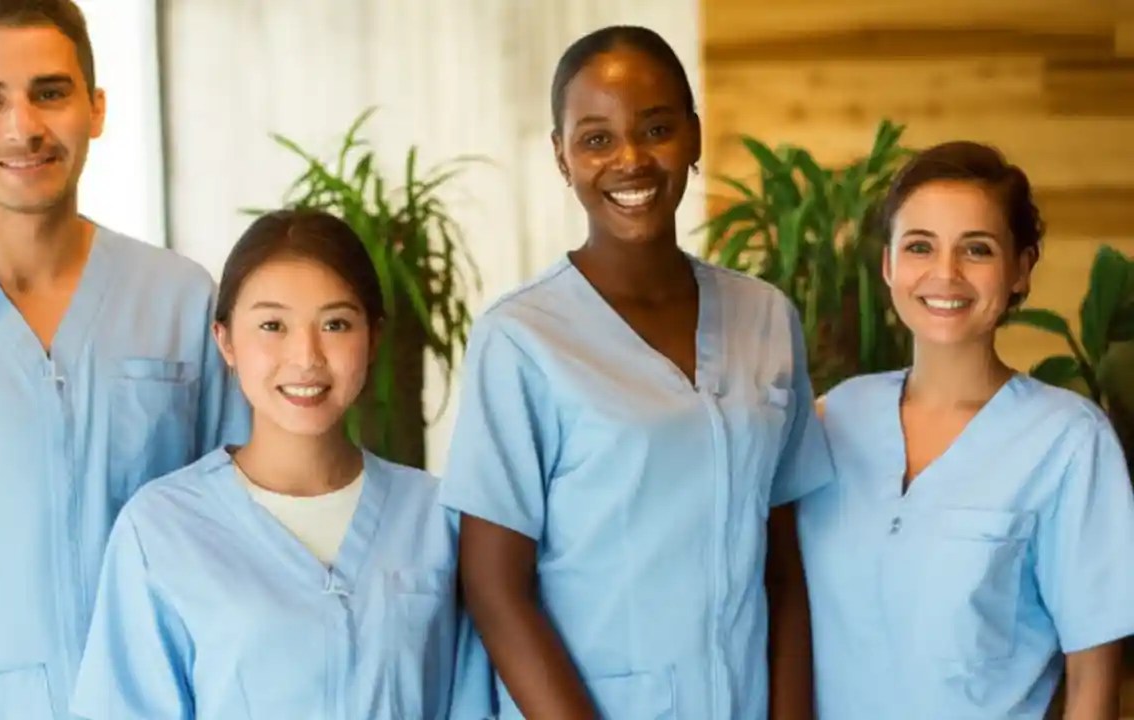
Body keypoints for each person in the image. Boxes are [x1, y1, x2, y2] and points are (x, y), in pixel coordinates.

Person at [0, 2, 244, 718]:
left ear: (96, 109)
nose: (22, 126)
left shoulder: (179, 299)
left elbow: (238, 533)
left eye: (50, 92)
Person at [439, 25, 831, 720]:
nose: (631, 160)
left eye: (655, 128)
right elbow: (494, 589)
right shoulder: (522, 339)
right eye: (596, 139)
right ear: (561, 156)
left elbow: (785, 567)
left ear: (694, 136)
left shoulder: (766, 318)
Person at [72, 208, 490, 719]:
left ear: (373, 337)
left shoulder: (439, 518)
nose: (307, 357)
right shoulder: (161, 529)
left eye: (336, 324)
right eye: (272, 325)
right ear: (225, 340)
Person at [799, 141, 1134, 719]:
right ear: (889, 266)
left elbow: (1092, 682)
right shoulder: (836, 418)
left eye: (975, 249)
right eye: (919, 246)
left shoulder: (1068, 442)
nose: (945, 274)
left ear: (1020, 269)